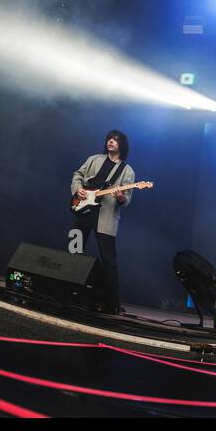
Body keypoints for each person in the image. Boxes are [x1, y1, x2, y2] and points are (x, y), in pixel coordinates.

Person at [70, 130, 135, 314]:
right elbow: (77, 174)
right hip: (83, 211)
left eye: (115, 140)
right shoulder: (94, 159)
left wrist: (121, 196)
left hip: (105, 217)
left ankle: (112, 302)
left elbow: (127, 200)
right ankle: (71, 292)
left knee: (109, 260)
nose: (111, 142)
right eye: (109, 139)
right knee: (74, 250)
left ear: (122, 145)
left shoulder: (127, 171)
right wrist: (78, 190)